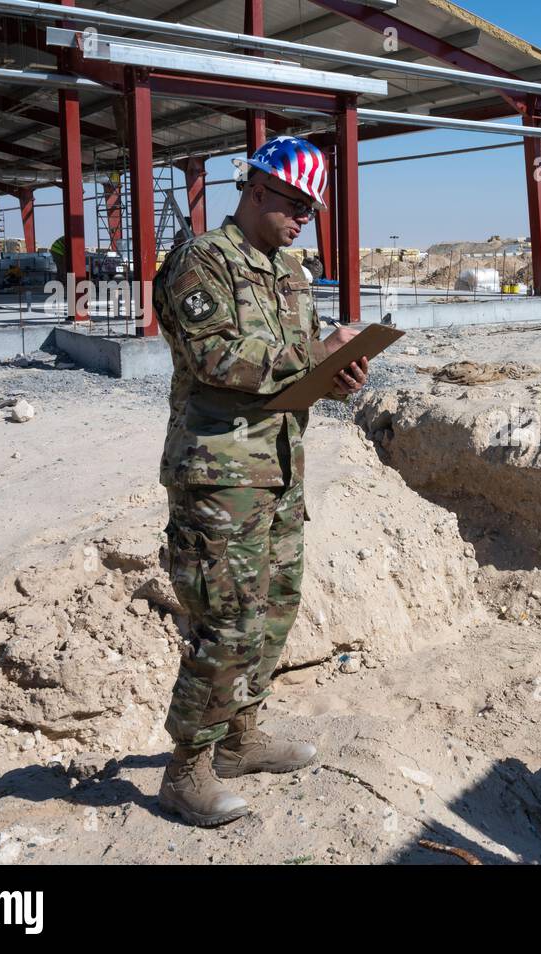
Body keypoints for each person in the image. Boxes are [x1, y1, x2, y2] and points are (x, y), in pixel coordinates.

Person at [152, 136, 368, 827]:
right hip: (219, 476)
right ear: (256, 191)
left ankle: (241, 739)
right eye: (297, 205)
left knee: (274, 611)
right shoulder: (199, 261)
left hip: (279, 468)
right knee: (224, 623)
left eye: (312, 209)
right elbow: (216, 358)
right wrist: (315, 353)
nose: (305, 218)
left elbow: (290, 372)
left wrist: (336, 378)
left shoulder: (291, 272)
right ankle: (187, 766)